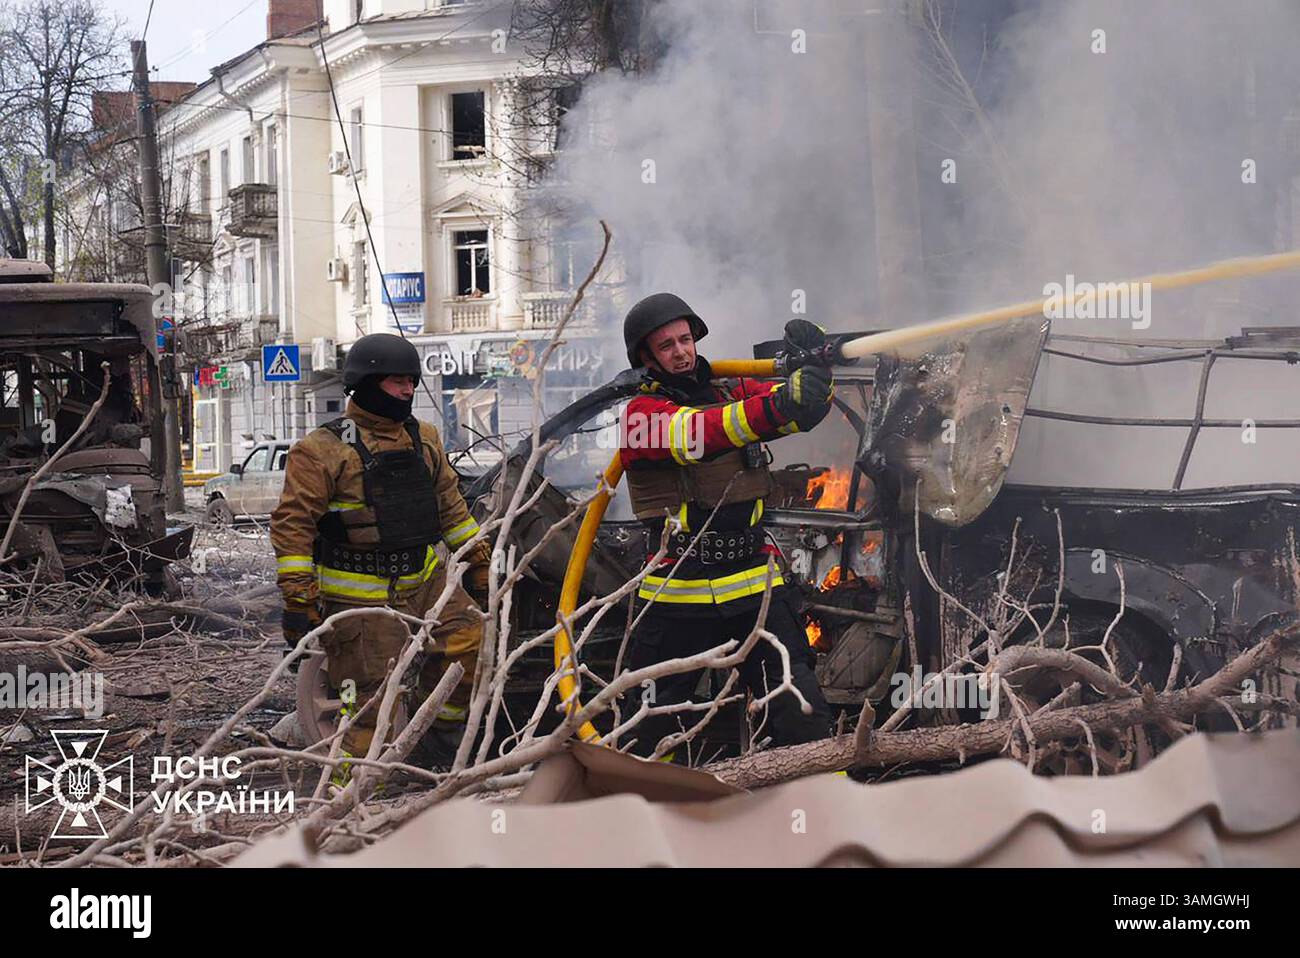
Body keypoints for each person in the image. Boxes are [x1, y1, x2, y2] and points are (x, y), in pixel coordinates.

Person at [618, 292, 834, 756]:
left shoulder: (729, 389)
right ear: (646, 358)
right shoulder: (640, 417)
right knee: (651, 725)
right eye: (666, 346)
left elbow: (801, 412)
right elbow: (702, 433)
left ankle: (822, 808)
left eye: (685, 340)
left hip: (754, 583)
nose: (681, 352)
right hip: (679, 592)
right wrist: (775, 407)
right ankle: (643, 813)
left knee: (799, 710)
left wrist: (815, 375)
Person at [270, 333, 490, 762]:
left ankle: (433, 736)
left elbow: (452, 510)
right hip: (360, 598)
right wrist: (299, 599)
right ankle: (346, 800)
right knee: (369, 705)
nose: (408, 390)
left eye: (411, 381)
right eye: (397, 382)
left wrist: (478, 566)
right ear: (368, 383)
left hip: (427, 582)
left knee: (469, 645)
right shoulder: (320, 451)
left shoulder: (423, 437)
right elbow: (292, 525)